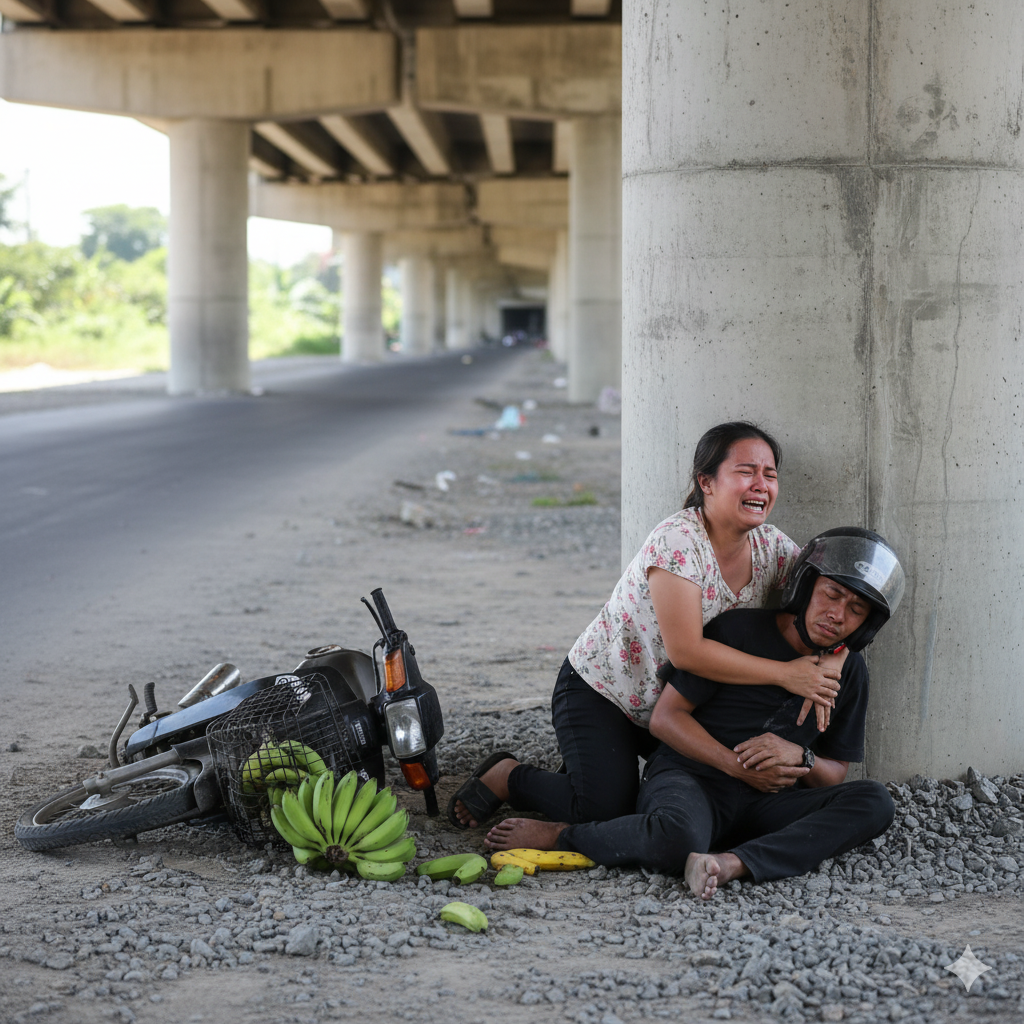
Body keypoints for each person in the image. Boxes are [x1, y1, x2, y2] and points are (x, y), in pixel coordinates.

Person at [449, 421, 845, 830]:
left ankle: (585, 771)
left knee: (689, 802)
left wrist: (833, 659)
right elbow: (687, 652)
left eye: (770, 475)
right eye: (746, 472)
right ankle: (507, 777)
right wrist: (787, 675)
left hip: (676, 708)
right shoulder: (678, 541)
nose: (761, 484)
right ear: (706, 482)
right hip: (604, 692)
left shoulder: (775, 549)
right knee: (604, 811)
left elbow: (836, 601)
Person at [484, 528, 905, 900]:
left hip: (769, 802)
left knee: (875, 801)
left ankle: (732, 863)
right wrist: (738, 768)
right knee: (676, 836)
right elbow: (666, 719)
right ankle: (565, 834)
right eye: (832, 595)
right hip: (691, 780)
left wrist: (801, 757)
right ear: (808, 586)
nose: (837, 615)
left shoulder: (850, 672)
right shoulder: (739, 631)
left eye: (856, 610)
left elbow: (835, 771)